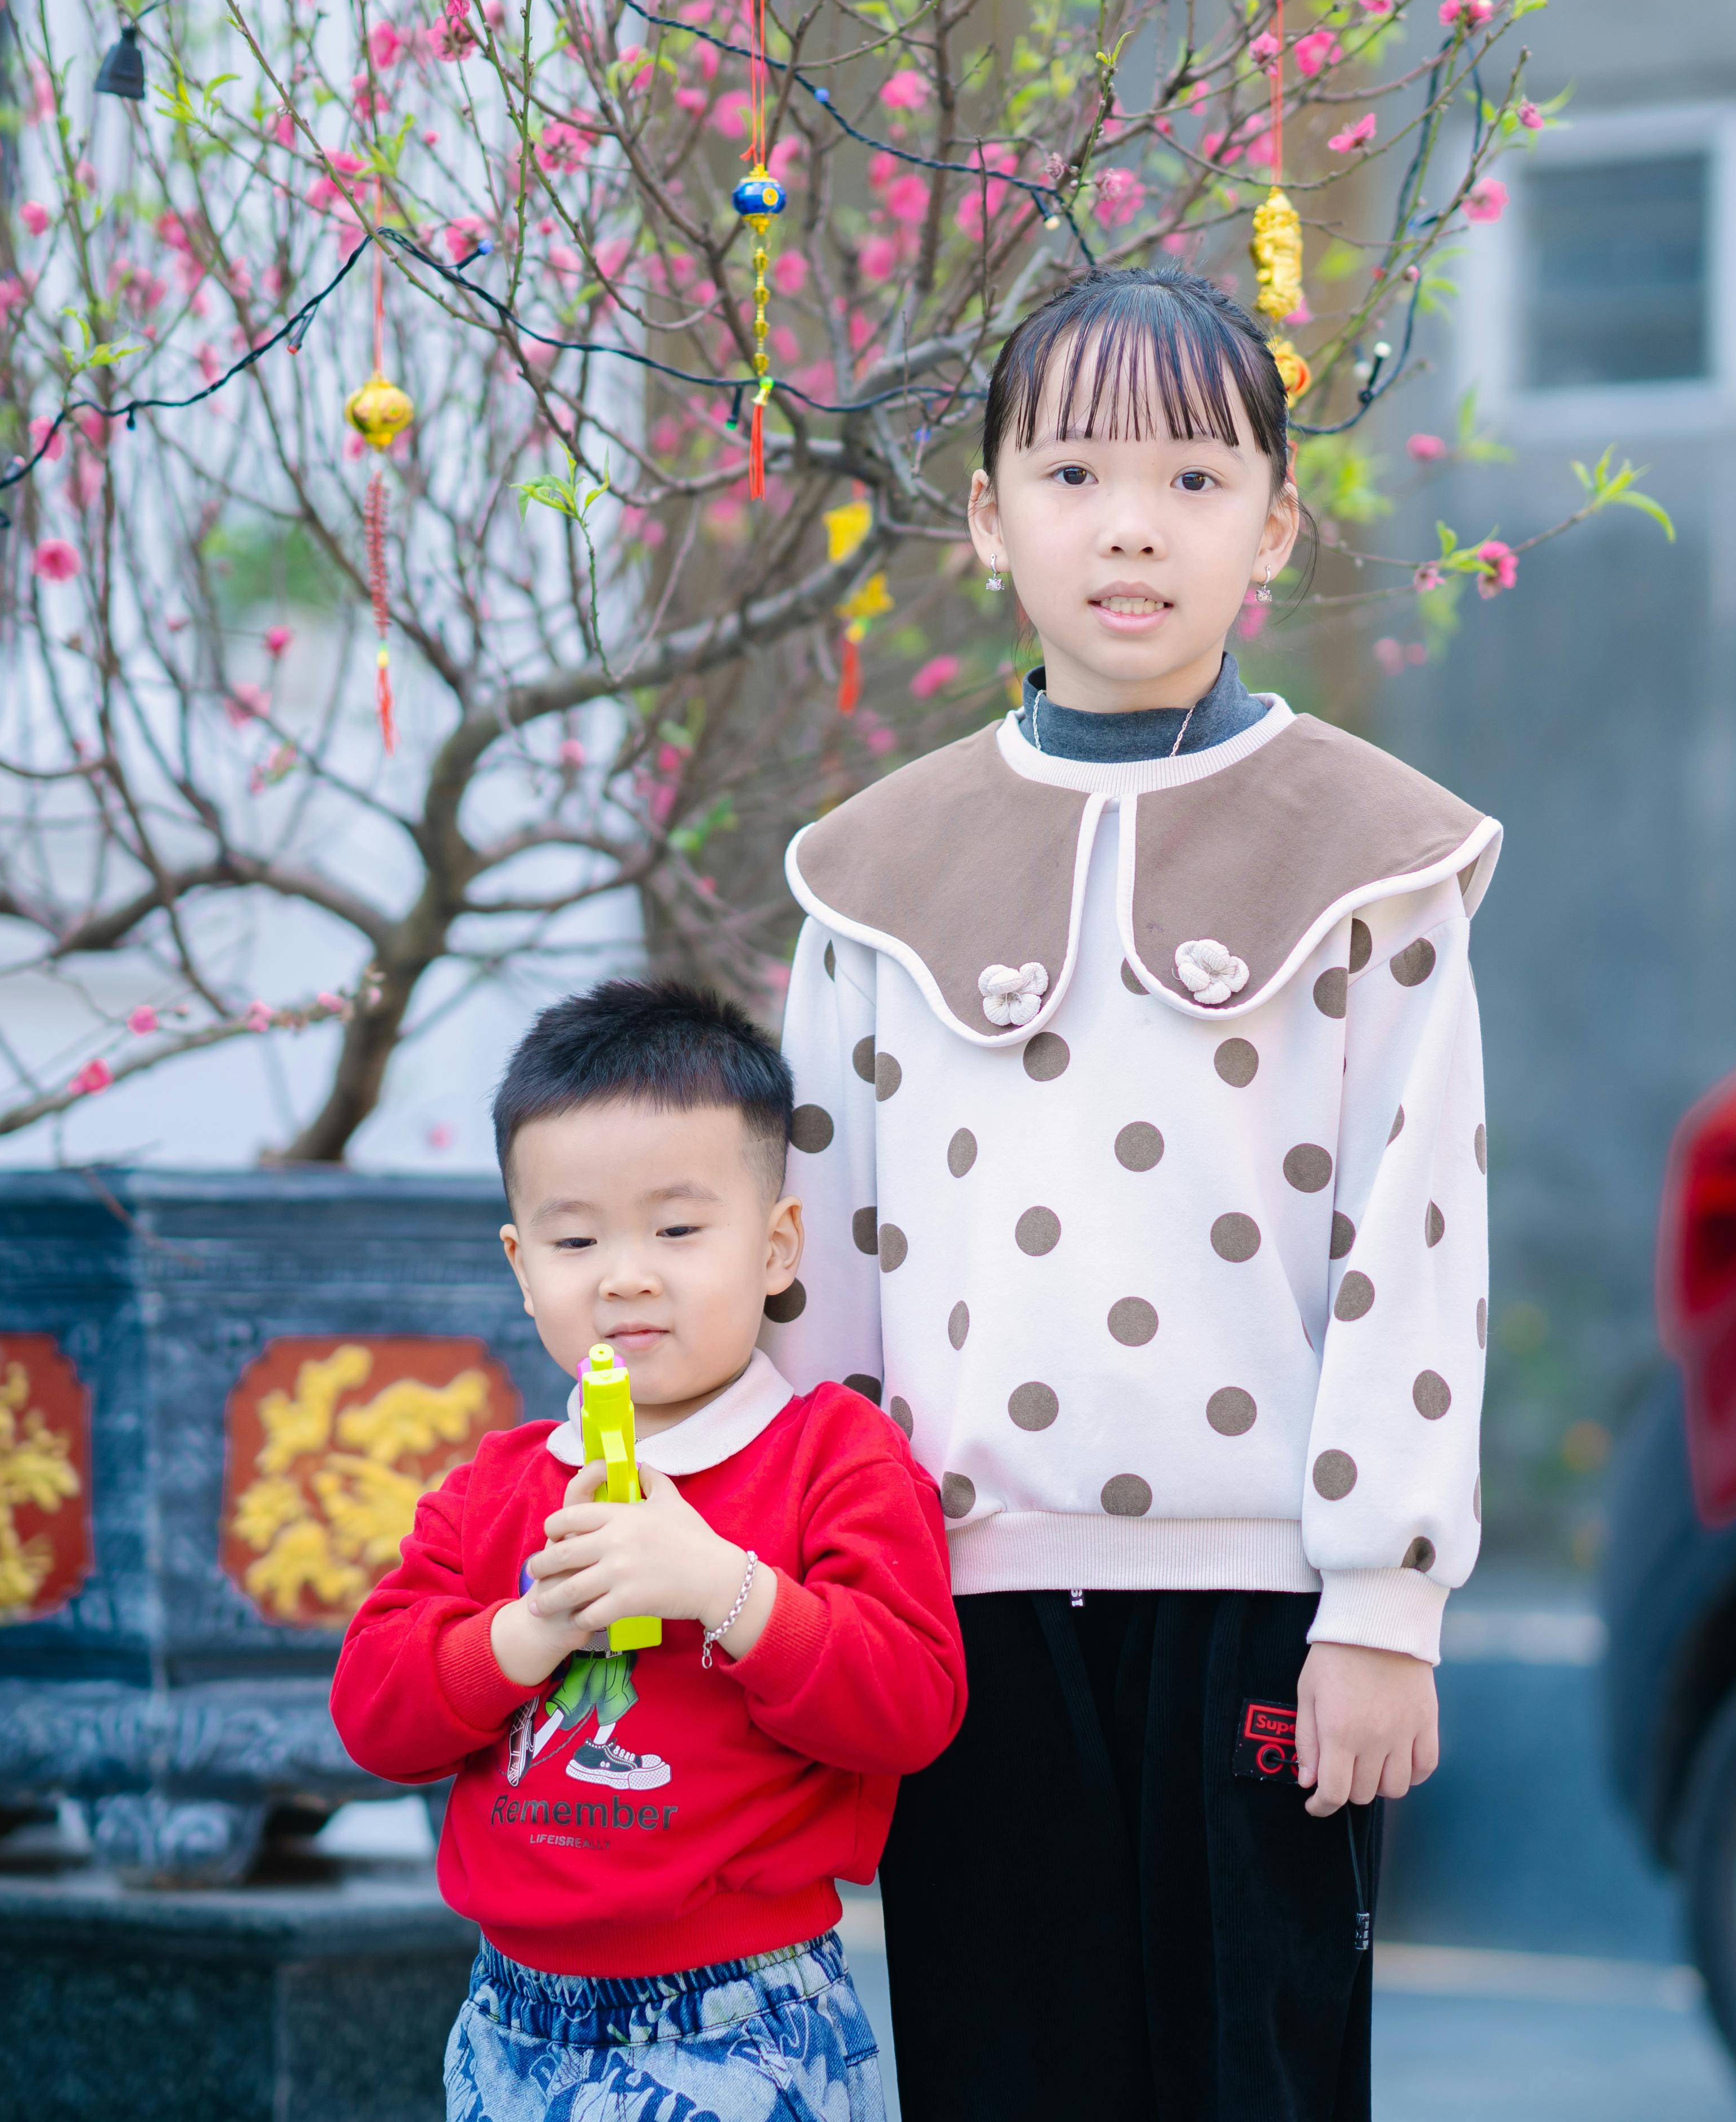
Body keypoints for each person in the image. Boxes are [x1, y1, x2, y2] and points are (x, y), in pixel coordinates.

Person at [764, 264, 1501, 2121]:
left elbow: (1415, 1246)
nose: (1132, 528)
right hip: (962, 1618)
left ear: (1276, 519)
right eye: (1076, 472)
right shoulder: (874, 873)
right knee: (1003, 2081)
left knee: (1254, 2082)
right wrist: (807, 1603)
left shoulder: (1374, 857)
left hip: (1264, 1610)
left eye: (1195, 478)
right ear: (990, 515)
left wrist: (1385, 1606)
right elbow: (823, 1264)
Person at [334, 979, 967, 2122]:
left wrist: (724, 1588)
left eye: (678, 1228)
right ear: (525, 1266)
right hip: (508, 2010)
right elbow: (377, 1714)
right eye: (579, 1237)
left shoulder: (834, 1453)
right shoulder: (497, 1483)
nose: (626, 1272)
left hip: (741, 2011)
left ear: (776, 1245)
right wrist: (527, 1630)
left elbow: (912, 1703)